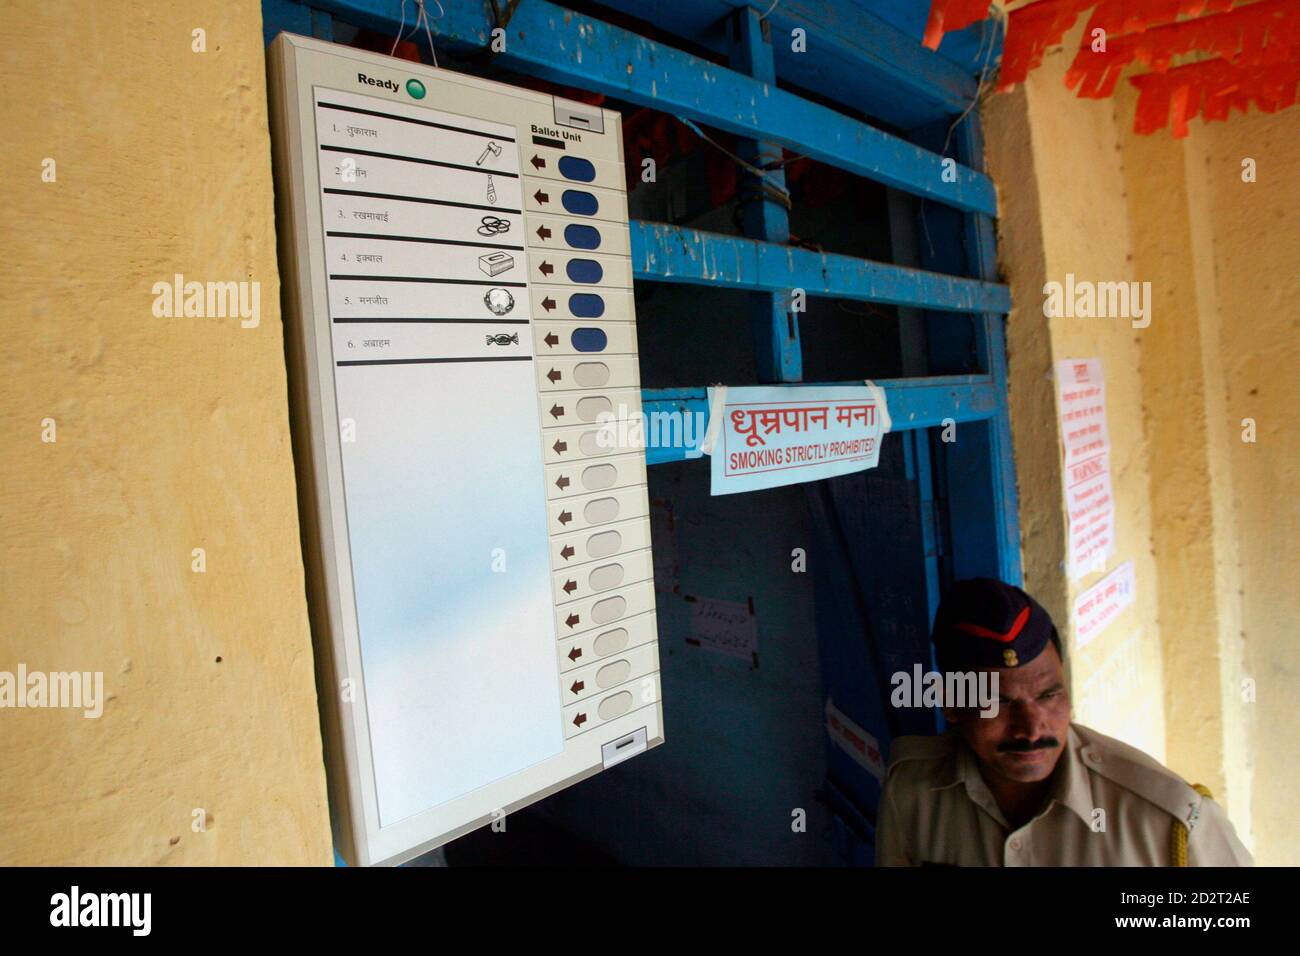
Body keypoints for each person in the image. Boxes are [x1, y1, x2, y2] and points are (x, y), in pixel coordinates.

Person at [875, 578, 1252, 866]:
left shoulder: (1165, 820)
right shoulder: (914, 790)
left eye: (1048, 695)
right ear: (951, 704)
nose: (1032, 728)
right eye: (998, 701)